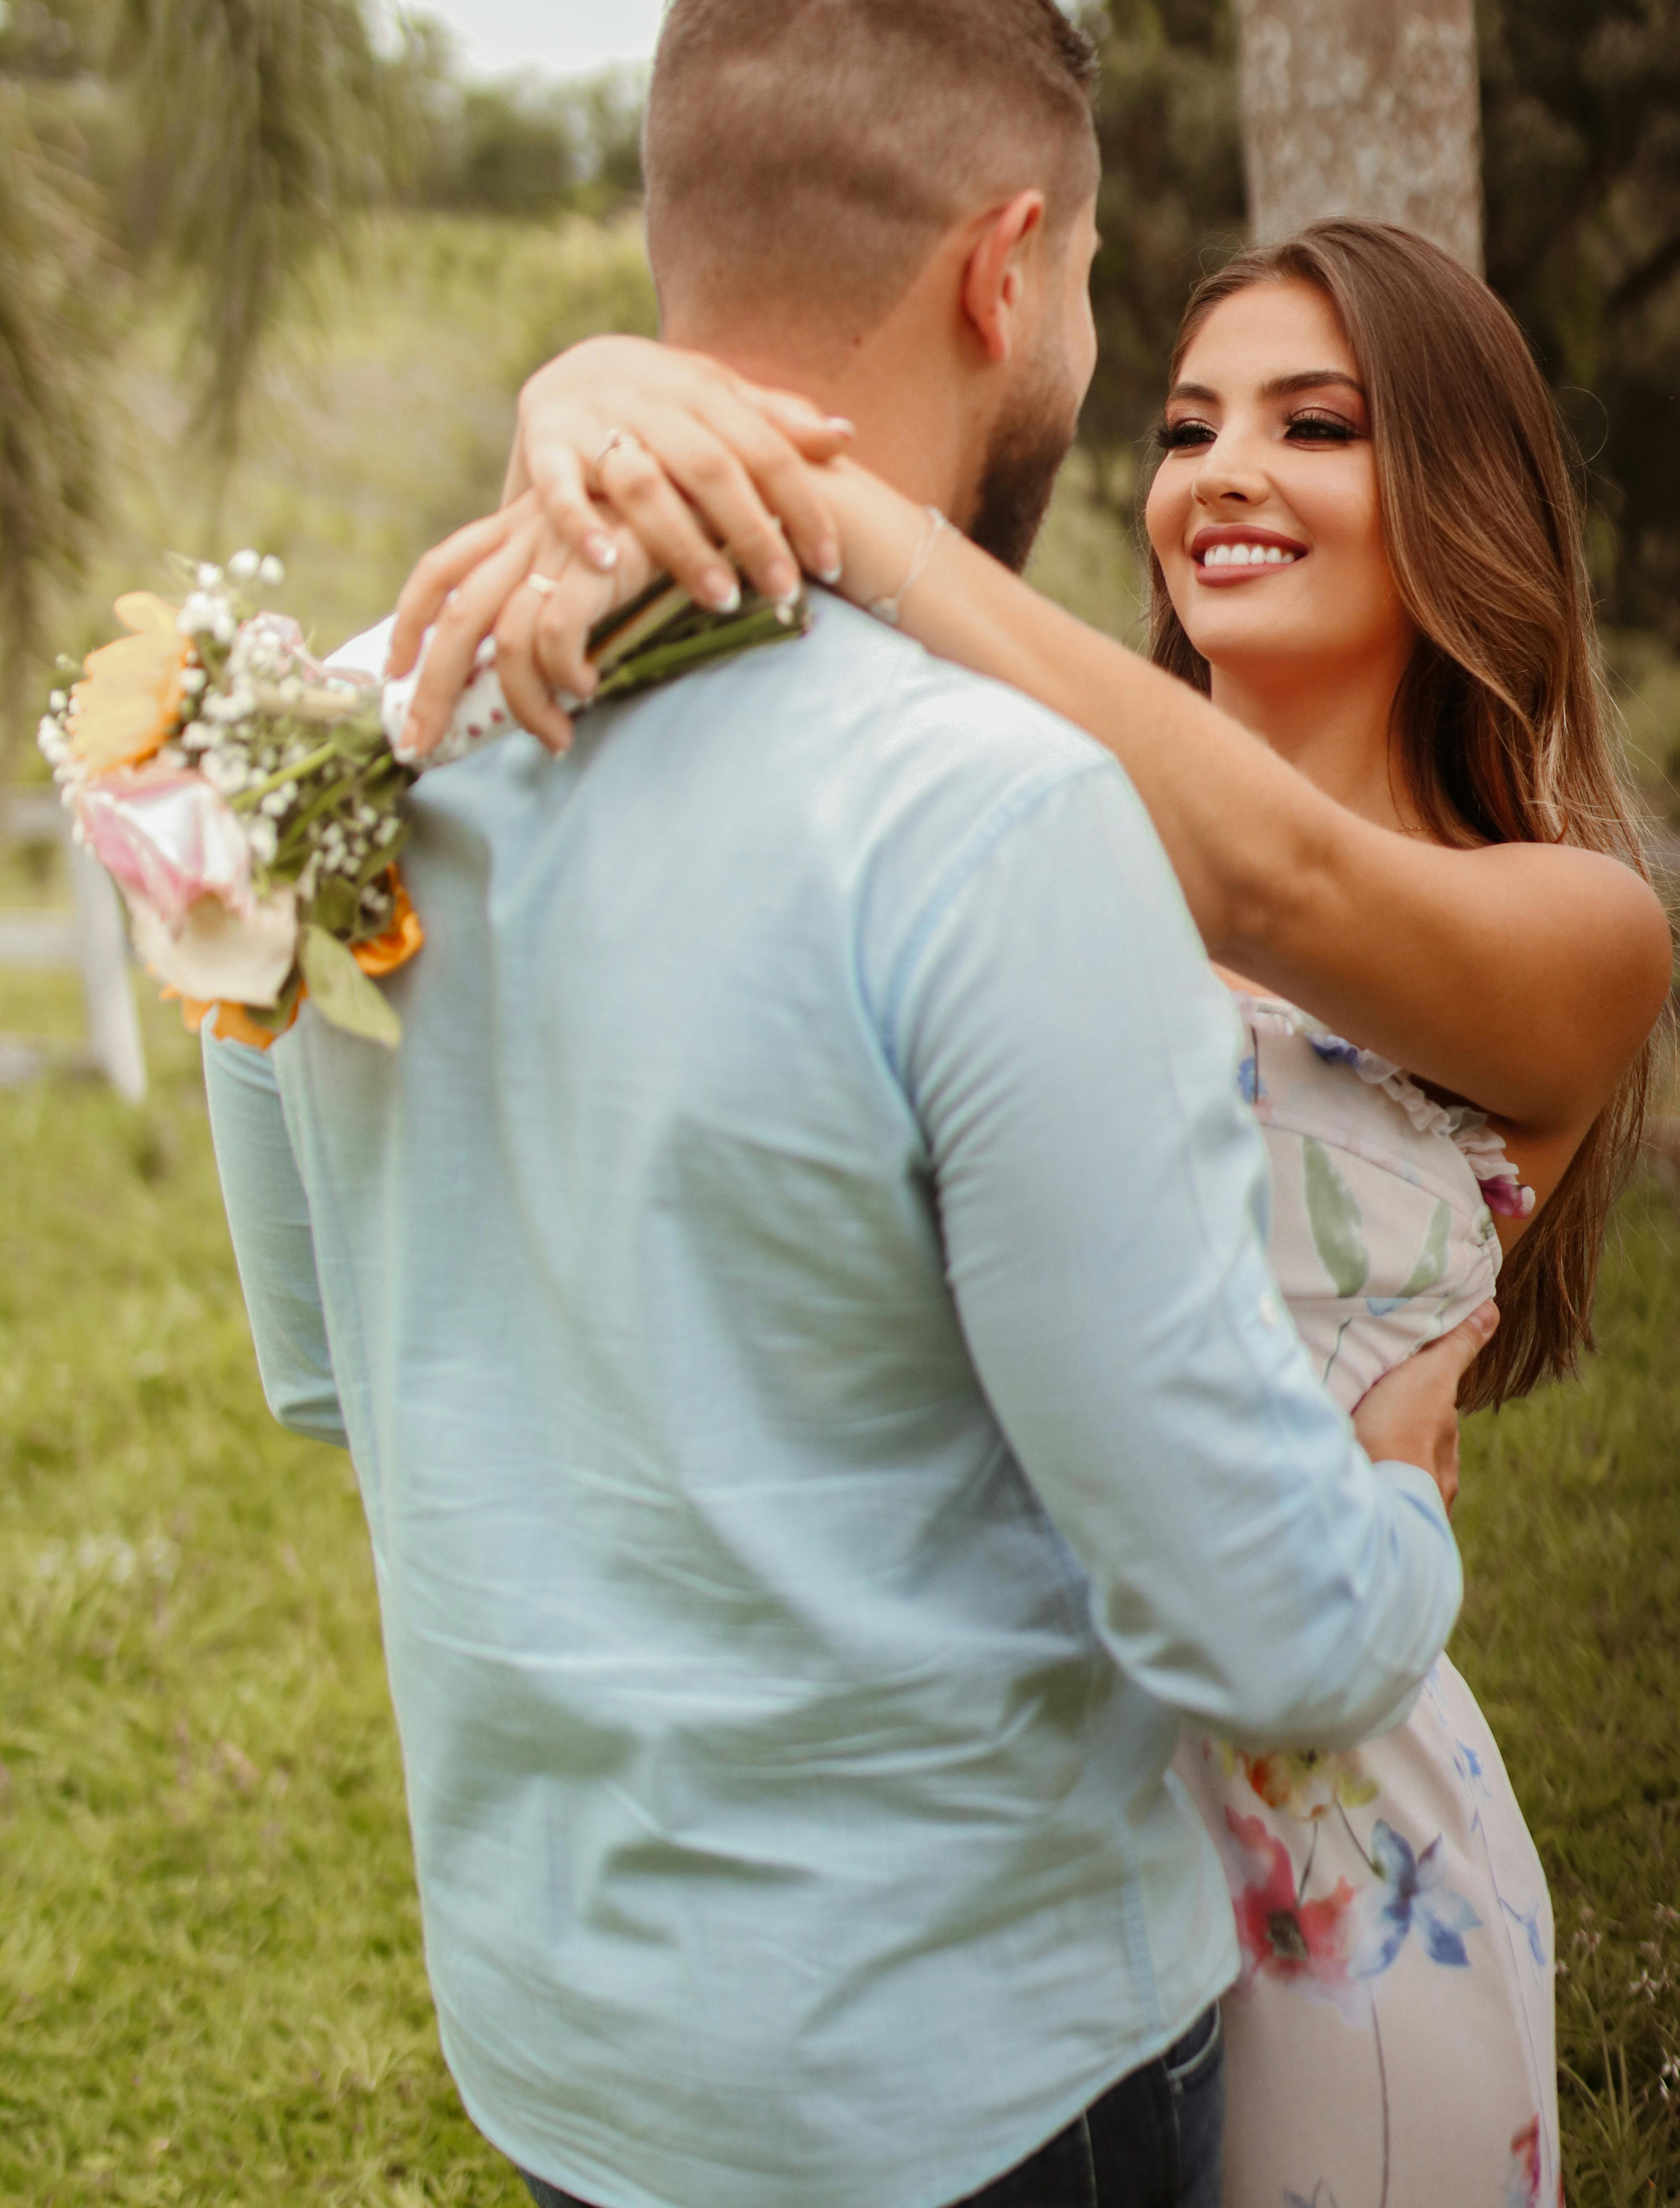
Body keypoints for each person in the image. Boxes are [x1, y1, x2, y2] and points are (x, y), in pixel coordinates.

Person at [201, 0, 1495, 2208]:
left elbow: (327, 1372)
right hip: (970, 2089)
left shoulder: (350, 777)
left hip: (568, 2060)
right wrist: (1400, 1494)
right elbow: (1259, 1624)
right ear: (1009, 269)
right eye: (1100, 288)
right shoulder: (996, 820)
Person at [393, 229, 1672, 2201]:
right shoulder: (1002, 799)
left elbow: (1280, 887)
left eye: (1312, 425)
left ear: (1465, 498)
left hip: (1321, 1856)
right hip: (974, 1858)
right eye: (1184, 426)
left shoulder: (1576, 927)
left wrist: (846, 508)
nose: (1222, 472)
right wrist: (586, 397)